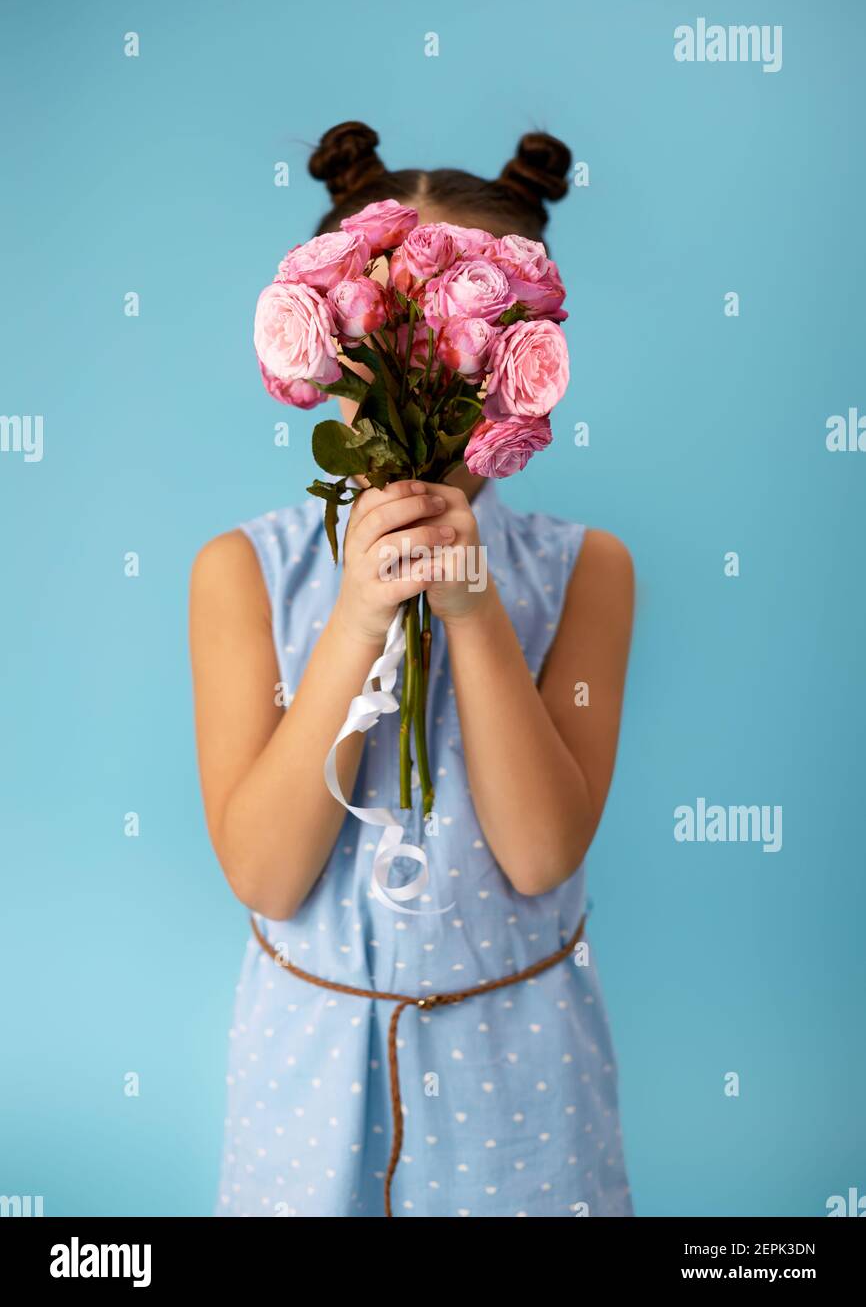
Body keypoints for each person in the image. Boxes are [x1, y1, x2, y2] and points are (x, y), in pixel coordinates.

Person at [190, 121, 635, 1217]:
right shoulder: (242, 573)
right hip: (309, 1062)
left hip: (518, 1063)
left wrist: (472, 612)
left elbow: (539, 855)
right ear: (329, 355)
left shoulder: (589, 571)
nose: (415, 401)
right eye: (387, 352)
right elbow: (265, 873)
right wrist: (354, 618)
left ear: (521, 373)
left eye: (460, 363)